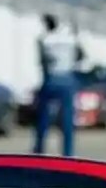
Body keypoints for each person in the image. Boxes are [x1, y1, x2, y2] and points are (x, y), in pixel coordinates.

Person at [32, 14, 84, 157]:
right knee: (67, 118)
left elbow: (42, 60)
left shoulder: (44, 39)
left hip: (51, 78)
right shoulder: (70, 39)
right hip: (67, 78)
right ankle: (68, 152)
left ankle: (39, 149)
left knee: (43, 116)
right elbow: (80, 56)